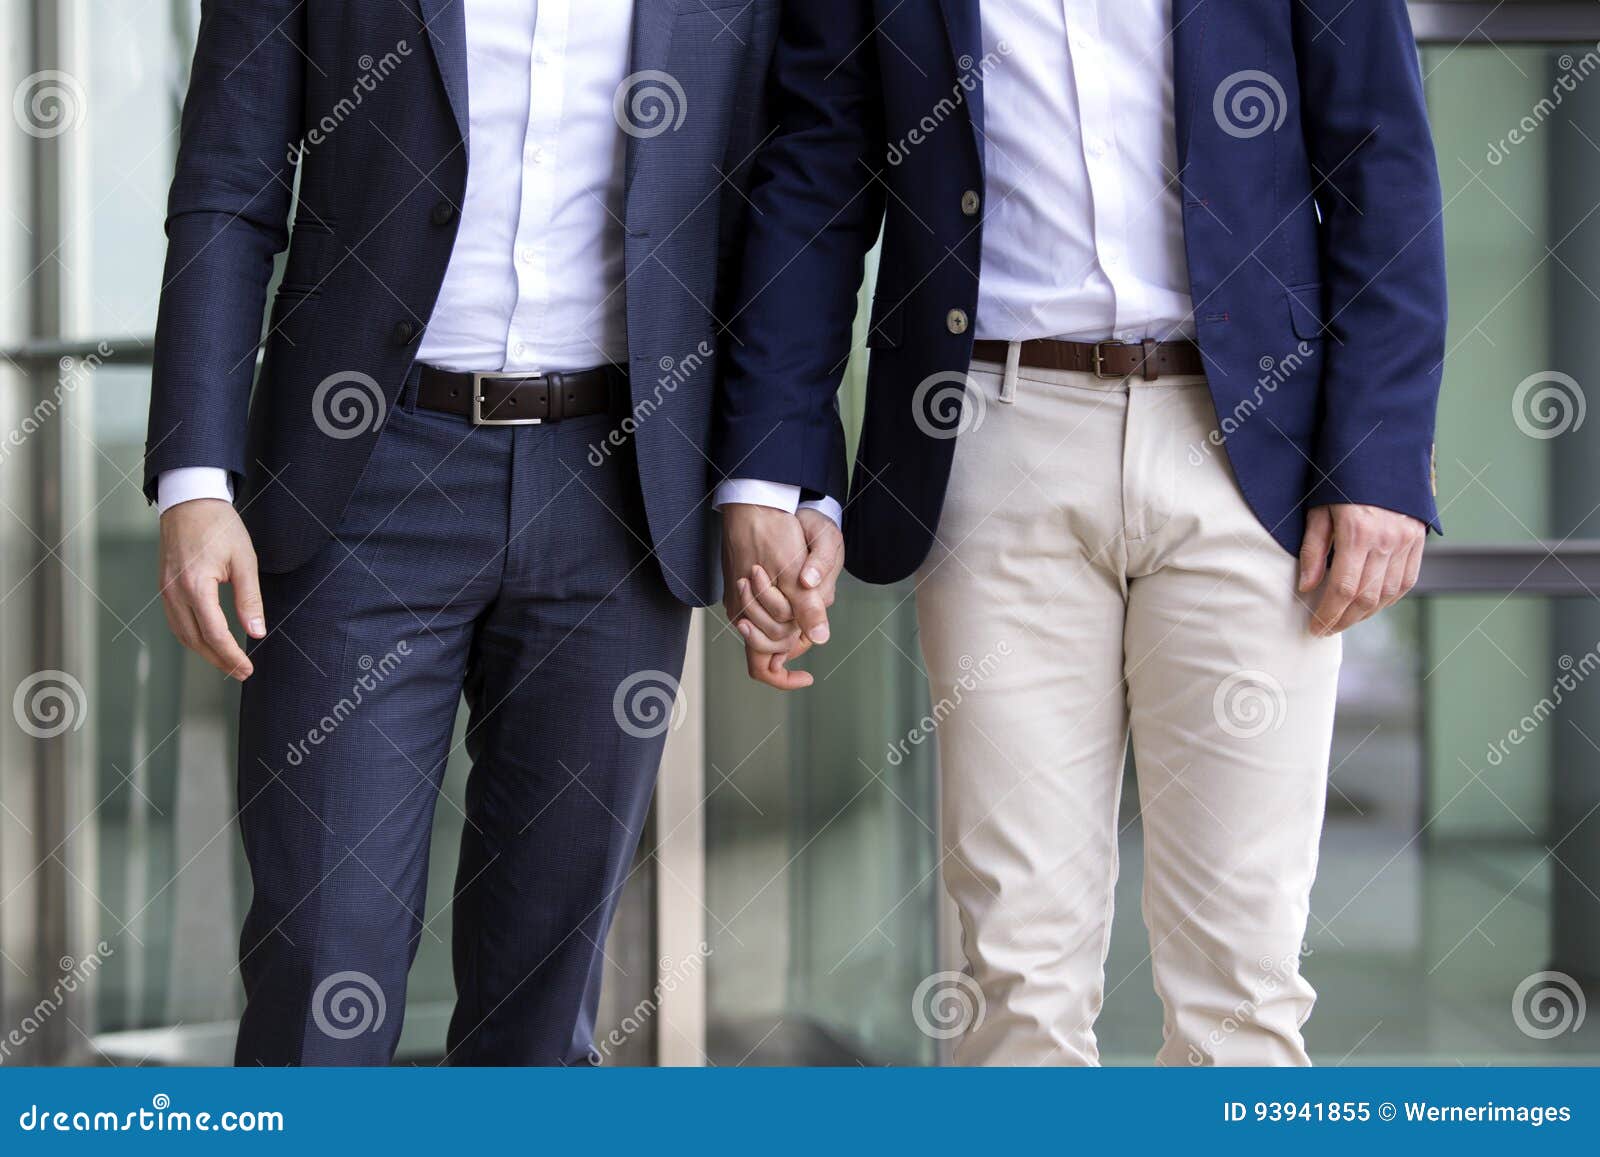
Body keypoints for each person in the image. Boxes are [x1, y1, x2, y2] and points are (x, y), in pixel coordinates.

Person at [717, 0, 1445, 1064]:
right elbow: (817, 173)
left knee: (1240, 979)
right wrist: (773, 467)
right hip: (995, 441)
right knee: (1014, 968)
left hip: (1244, 447)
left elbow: (1381, 155)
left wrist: (1378, 452)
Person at [145, 0, 836, 1066]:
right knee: (322, 959)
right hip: (362, 478)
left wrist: (785, 481)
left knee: (545, 989)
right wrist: (196, 480)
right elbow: (228, 190)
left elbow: (798, 197)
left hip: (620, 493)